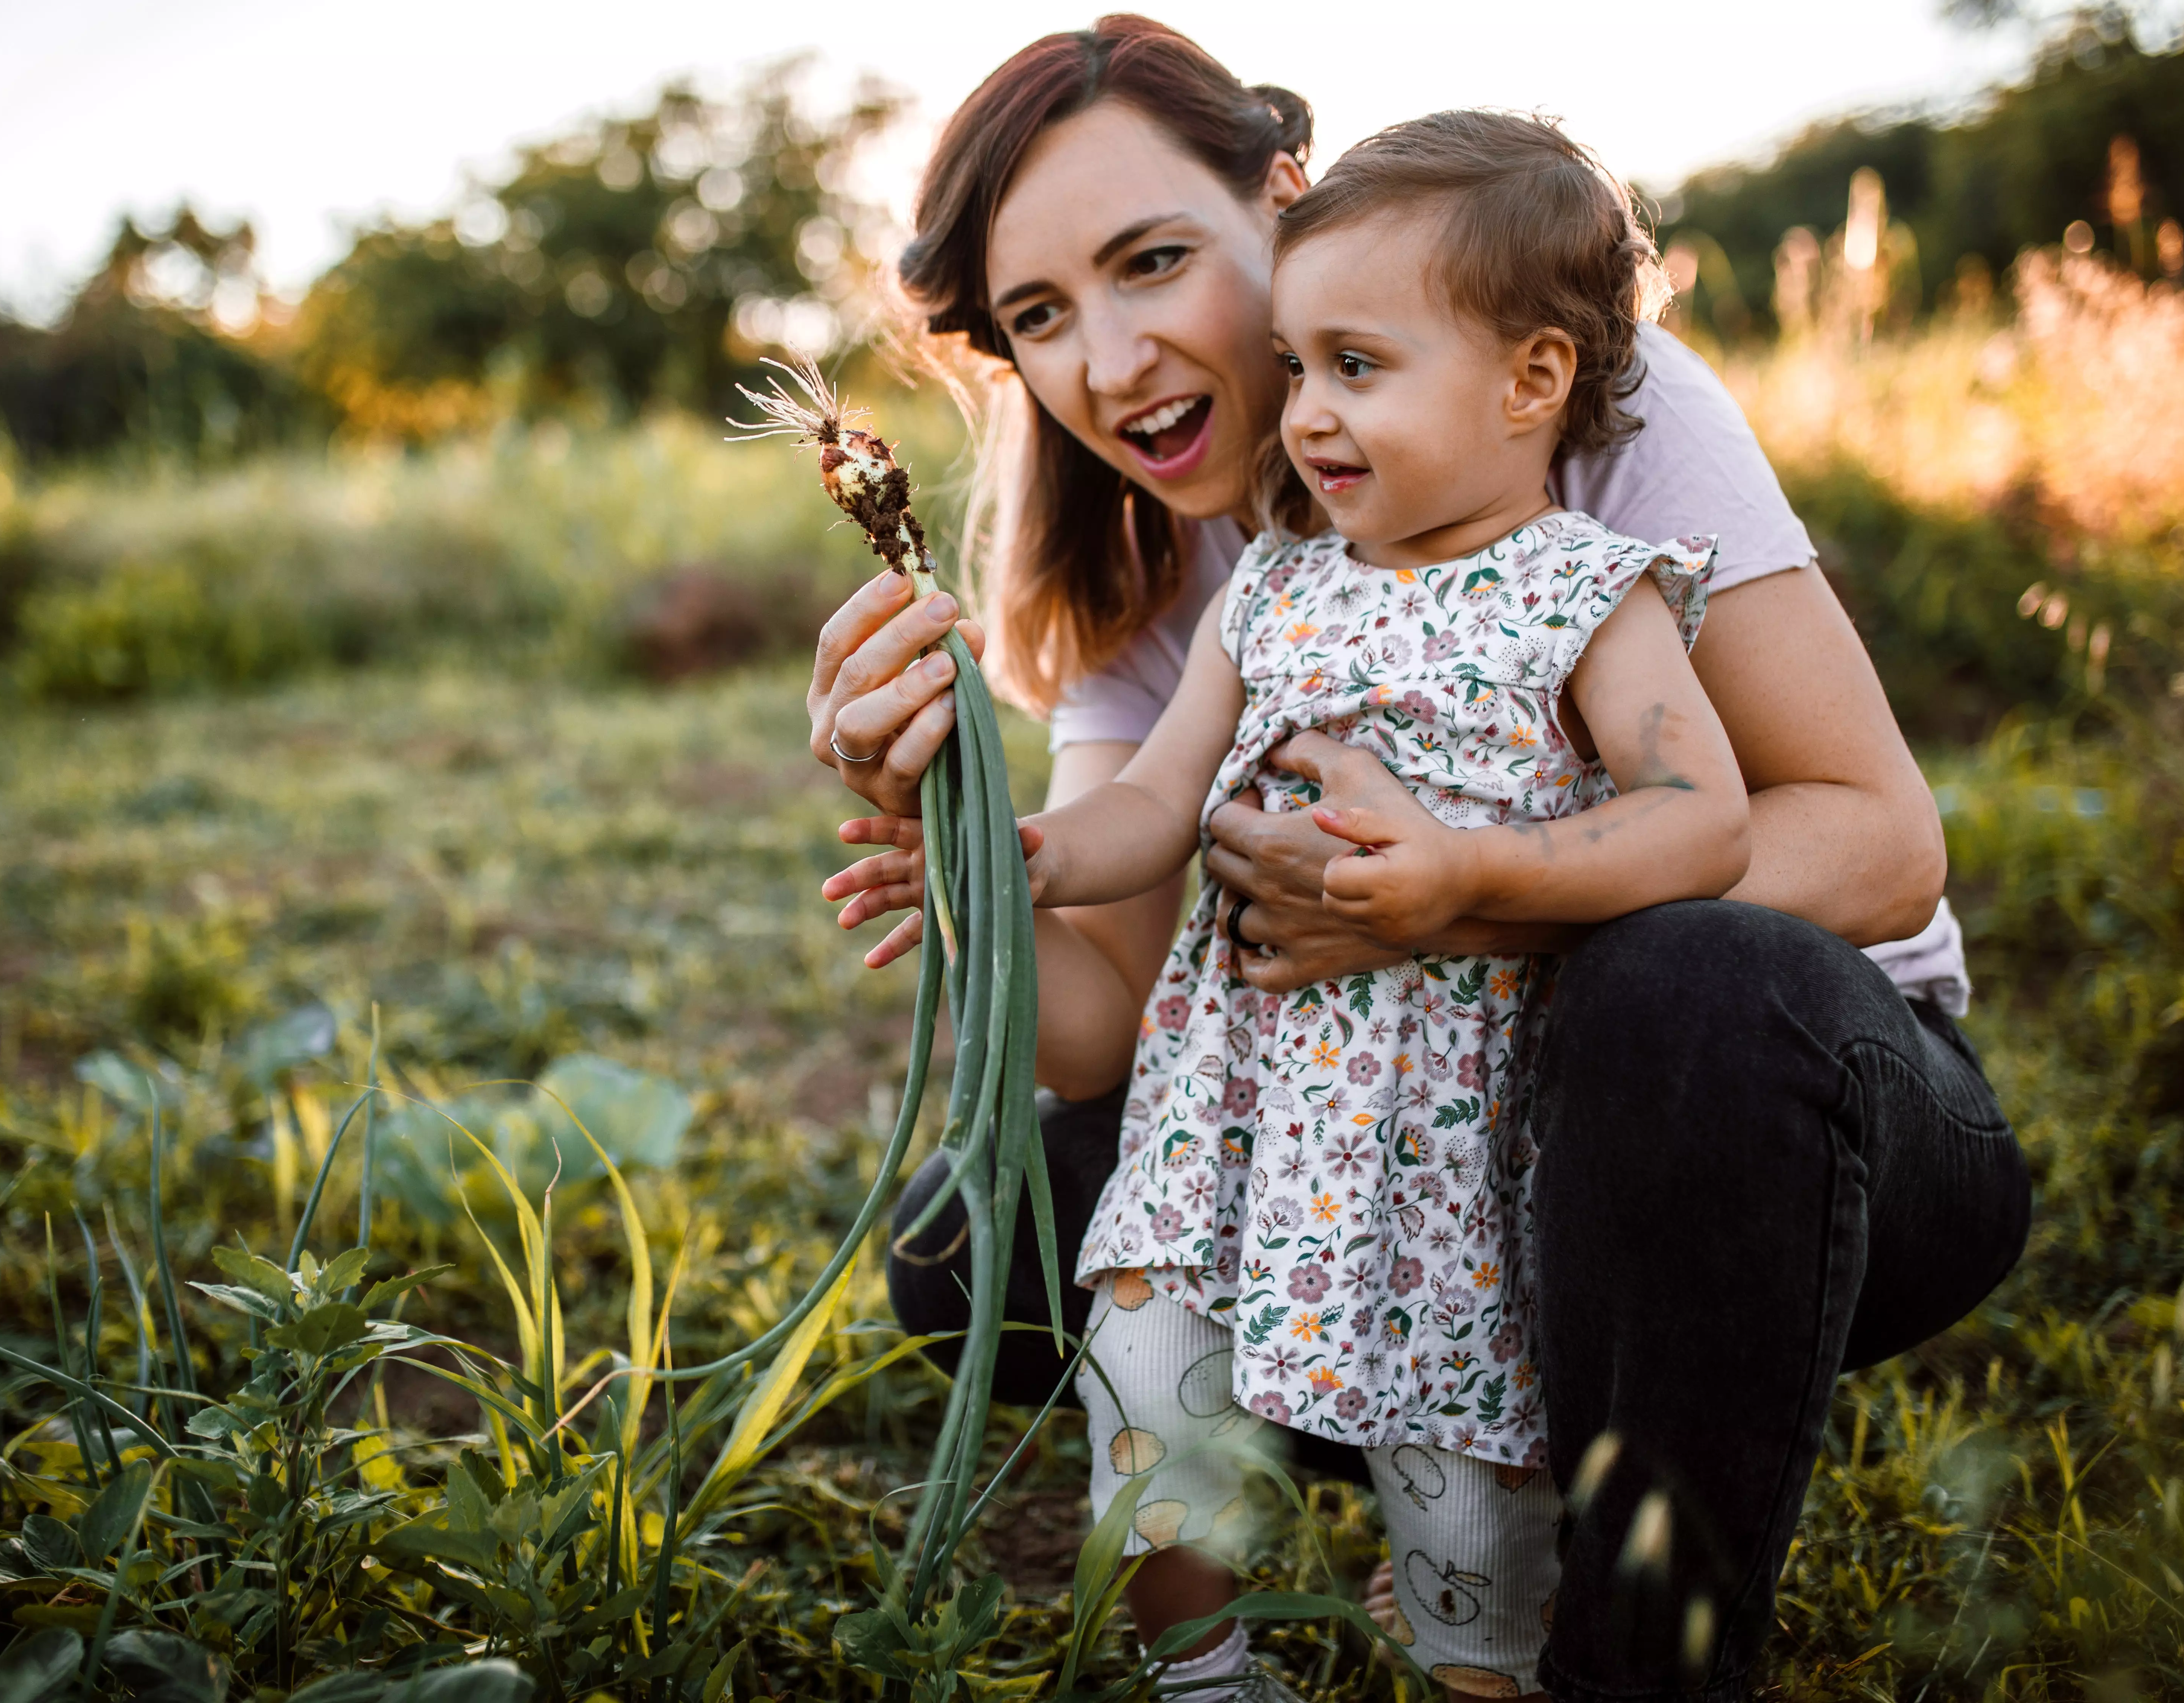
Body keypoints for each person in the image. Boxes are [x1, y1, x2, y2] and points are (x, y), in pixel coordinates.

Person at [806, 17, 2031, 1703]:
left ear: (1283, 202)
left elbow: (1880, 843)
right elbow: (1099, 1039)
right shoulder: (1157, 560)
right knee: (986, 1231)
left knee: (1682, 982)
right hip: (1395, 1141)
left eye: (1153, 260)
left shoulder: (1576, 394)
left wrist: (1458, 893)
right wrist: (956, 845)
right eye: (1039, 317)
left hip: (1787, 1122)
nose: (1109, 361)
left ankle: (1633, 1651)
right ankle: (1423, 1470)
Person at [850, 109, 1756, 1699]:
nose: (1312, 415)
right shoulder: (1270, 581)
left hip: (1463, 1108)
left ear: (1533, 382)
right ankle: (1202, 1670)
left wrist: (1467, 878)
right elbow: (1150, 803)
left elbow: (1707, 819)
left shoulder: (1588, 590)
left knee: (1459, 1458)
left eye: (1359, 368)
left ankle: (1482, 1661)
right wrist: (1010, 858)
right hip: (1240, 1094)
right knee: (1140, 1358)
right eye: (1299, 364)